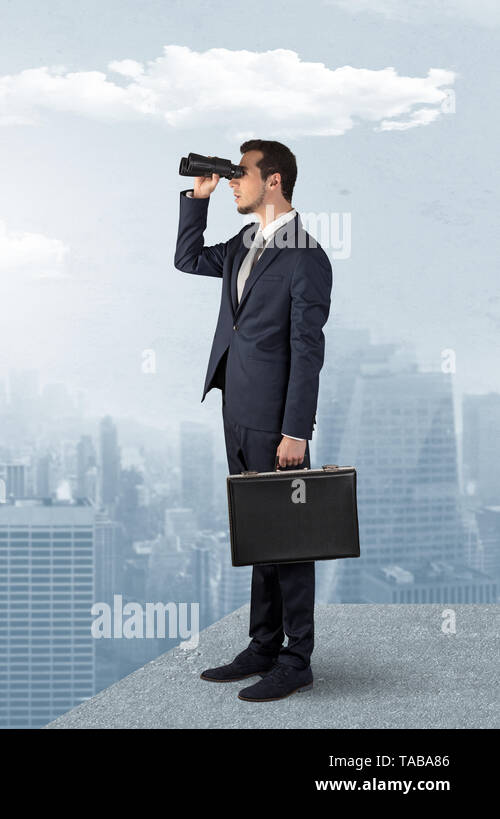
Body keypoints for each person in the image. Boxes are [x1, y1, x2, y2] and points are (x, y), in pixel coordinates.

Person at [174, 139, 333, 702]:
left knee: (290, 538)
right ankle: (263, 645)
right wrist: (199, 198)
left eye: (240, 173)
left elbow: (307, 350)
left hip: (276, 419)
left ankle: (297, 657)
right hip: (235, 408)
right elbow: (188, 260)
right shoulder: (244, 242)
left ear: (274, 181)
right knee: (258, 531)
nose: (232, 181)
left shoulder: (306, 257)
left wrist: (296, 430)